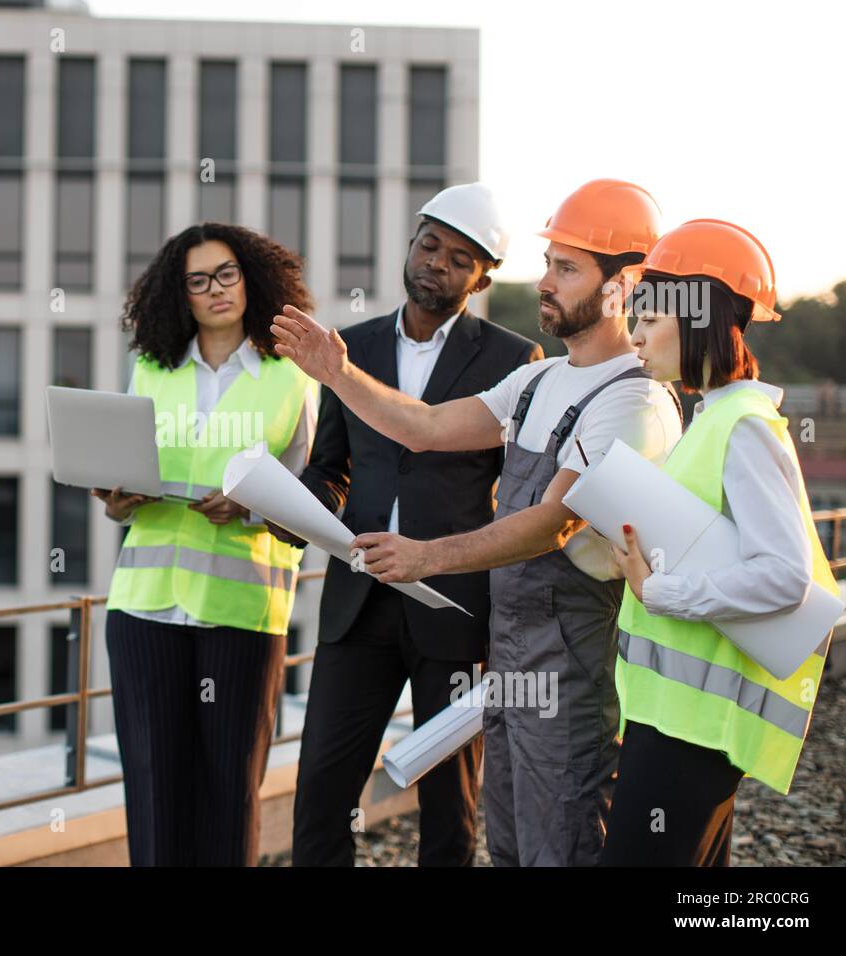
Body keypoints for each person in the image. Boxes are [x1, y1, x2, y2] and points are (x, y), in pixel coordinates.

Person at [272, 180, 684, 866]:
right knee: (513, 844)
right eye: (549, 263)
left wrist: (426, 557)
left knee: (561, 840)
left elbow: (553, 523)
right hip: (513, 654)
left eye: (566, 268)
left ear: (624, 285)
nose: (544, 280)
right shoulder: (540, 381)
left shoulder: (633, 399)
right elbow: (428, 427)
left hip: (568, 667)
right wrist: (338, 373)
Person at [281, 184, 542, 866]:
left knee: (450, 809)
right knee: (321, 797)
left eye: (459, 259)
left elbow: (521, 497)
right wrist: (284, 507)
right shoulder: (351, 349)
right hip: (357, 603)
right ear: (411, 244)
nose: (437, 264)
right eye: (430, 246)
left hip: (454, 607)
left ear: (481, 278)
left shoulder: (515, 362)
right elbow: (331, 467)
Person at [600, 220, 840, 865]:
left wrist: (660, 590)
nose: (636, 335)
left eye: (649, 319)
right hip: (674, 719)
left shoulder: (744, 426)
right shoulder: (712, 418)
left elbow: (785, 576)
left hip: (694, 731)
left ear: (699, 316)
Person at [94, 222, 318, 866]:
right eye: (198, 281)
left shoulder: (293, 376)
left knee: (230, 794)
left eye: (226, 273)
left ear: (251, 278)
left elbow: (316, 496)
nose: (215, 289)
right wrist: (117, 500)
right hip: (143, 608)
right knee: (155, 790)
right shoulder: (150, 369)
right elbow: (127, 469)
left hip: (243, 609)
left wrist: (252, 507)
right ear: (179, 294)